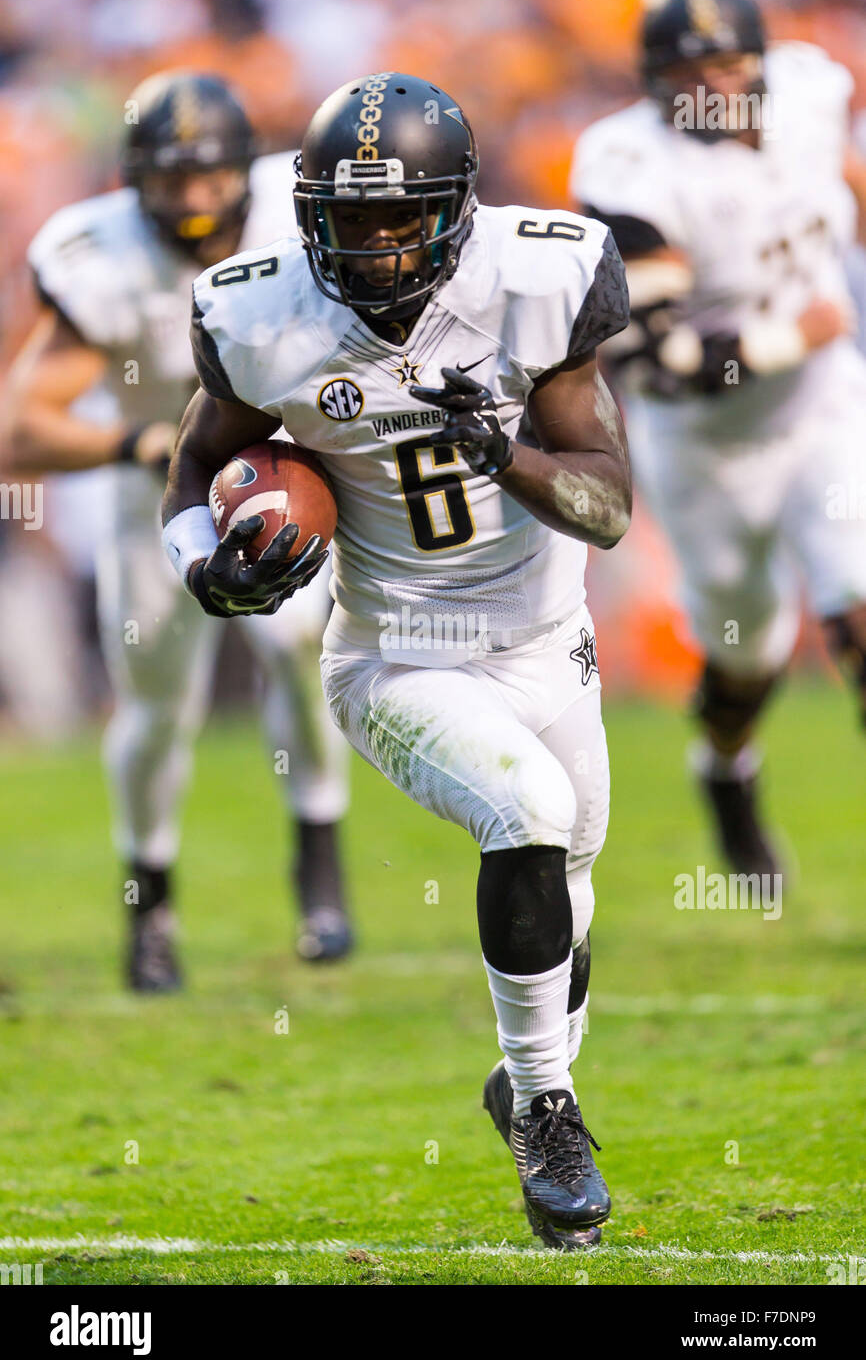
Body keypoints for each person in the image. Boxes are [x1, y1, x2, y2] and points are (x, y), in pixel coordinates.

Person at [161, 72, 632, 1248]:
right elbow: (189, 476)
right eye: (345, 219)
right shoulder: (256, 313)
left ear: (455, 210)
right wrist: (203, 567)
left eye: (396, 218)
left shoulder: (542, 276)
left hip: (545, 642)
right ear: (305, 210)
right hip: (394, 653)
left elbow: (609, 506)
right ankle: (547, 1111)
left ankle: (525, 1077)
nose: (370, 248)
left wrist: (505, 453)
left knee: (568, 888)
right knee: (522, 814)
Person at [6, 71, 354, 989]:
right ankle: (150, 899)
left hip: (272, 473)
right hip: (153, 494)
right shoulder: (103, 254)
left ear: (247, 170)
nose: (193, 201)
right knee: (159, 705)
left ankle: (319, 855)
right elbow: (21, 425)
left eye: (207, 177)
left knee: (297, 638)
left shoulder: (303, 212)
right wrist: (145, 440)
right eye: (169, 180)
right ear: (133, 181)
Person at [571, 0, 866, 877]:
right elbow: (661, 361)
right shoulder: (627, 164)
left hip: (823, 407)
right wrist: (787, 335)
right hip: (706, 446)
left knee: (858, 604)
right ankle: (726, 770)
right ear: (656, 83)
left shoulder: (813, 89)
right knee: (749, 655)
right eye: (690, 70)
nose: (713, 83)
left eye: (728, 62)